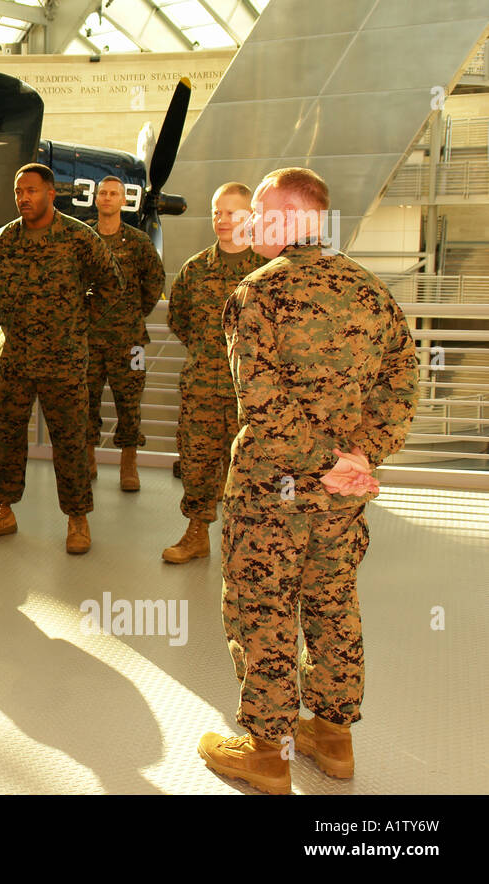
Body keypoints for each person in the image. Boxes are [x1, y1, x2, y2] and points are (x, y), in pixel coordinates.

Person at [197, 168, 417, 794]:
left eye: (260, 210)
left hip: (272, 491)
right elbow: (404, 382)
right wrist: (361, 459)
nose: (250, 222)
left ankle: (267, 753)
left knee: (262, 607)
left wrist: (327, 460)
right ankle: (334, 737)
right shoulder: (372, 291)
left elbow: (261, 403)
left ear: (291, 216)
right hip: (341, 498)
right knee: (332, 605)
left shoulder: (256, 293)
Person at [0, 164, 122, 554]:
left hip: (64, 360)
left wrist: (79, 321)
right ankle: (2, 510)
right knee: (6, 437)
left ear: (51, 193)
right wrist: (4, 320)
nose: (24, 197)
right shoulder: (0, 244)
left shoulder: (77, 238)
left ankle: (77, 519)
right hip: (15, 359)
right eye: (19, 191)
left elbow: (111, 282)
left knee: (70, 441)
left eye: (32, 191)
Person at [162, 183, 266, 563]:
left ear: (251, 216)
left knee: (253, 472)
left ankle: (250, 545)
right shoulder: (195, 269)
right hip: (203, 387)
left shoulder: (267, 270)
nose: (223, 220)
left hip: (253, 395)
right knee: (196, 463)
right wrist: (210, 356)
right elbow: (179, 320)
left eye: (233, 213)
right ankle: (196, 533)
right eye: (217, 212)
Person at [84, 176, 165, 492]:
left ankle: (128, 464)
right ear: (96, 199)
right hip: (89, 339)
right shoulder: (84, 238)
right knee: (86, 401)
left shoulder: (139, 242)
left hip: (130, 342)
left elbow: (155, 283)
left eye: (113, 193)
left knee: (129, 403)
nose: (106, 198)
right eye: (102, 193)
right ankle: (88, 458)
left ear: (123, 201)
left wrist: (132, 313)